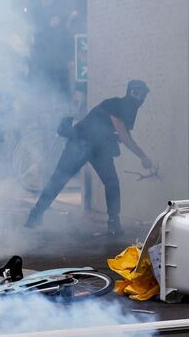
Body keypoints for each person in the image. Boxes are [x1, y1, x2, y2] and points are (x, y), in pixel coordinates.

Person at [25, 80, 153, 235]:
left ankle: (114, 223)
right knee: (59, 179)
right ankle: (35, 215)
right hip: (80, 142)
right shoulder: (116, 104)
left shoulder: (131, 111)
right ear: (128, 92)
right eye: (135, 93)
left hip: (100, 147)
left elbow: (123, 132)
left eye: (142, 95)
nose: (138, 97)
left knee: (112, 182)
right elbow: (124, 136)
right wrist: (143, 156)